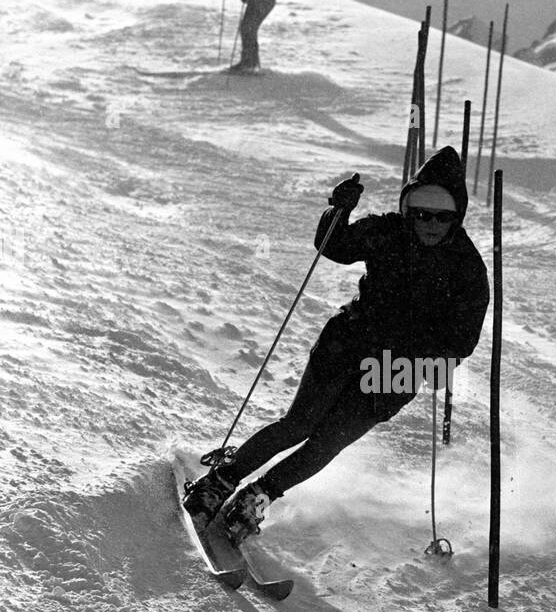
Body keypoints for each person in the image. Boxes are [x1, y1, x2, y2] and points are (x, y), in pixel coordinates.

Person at [183, 146, 490, 544]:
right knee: (300, 424)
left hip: (396, 373)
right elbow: (336, 245)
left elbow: (463, 340)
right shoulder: (389, 232)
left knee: (329, 441)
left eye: (442, 216)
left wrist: (426, 350)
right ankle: (220, 481)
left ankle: (258, 497)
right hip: (348, 342)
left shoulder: (466, 267)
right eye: (421, 213)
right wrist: (338, 210)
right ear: (408, 208)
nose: (430, 224)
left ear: (457, 216)